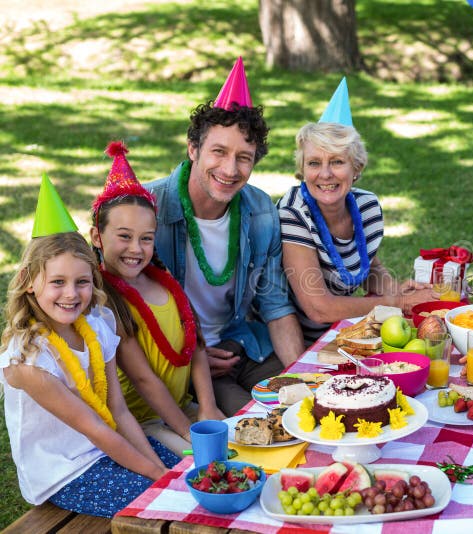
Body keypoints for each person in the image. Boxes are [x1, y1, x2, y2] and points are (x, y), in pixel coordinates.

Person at [0, 178, 178, 518]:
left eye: (81, 282)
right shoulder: (29, 360)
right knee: (160, 505)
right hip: (65, 472)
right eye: (57, 282)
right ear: (29, 282)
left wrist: (161, 471)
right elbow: (93, 428)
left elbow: (117, 410)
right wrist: (158, 479)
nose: (71, 295)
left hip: (108, 445)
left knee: (185, 475)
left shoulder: (97, 323)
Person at [145, 58, 304, 416]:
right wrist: (188, 360)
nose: (231, 170)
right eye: (219, 152)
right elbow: (123, 314)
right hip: (173, 359)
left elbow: (275, 305)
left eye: (244, 158)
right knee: (259, 421)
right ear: (193, 148)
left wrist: (304, 377)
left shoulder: (261, 210)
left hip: (241, 345)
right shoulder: (146, 210)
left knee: (307, 405)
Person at [90, 141, 225, 455]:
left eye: (146, 239)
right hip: (141, 422)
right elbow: (143, 379)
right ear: (97, 236)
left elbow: (197, 346)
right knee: (196, 465)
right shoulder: (104, 301)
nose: (136, 249)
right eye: (124, 236)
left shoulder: (166, 286)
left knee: (236, 447)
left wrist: (207, 408)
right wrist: (190, 433)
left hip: (185, 408)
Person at [277, 80, 435, 344]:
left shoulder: (367, 207)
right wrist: (397, 302)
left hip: (346, 331)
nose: (325, 174)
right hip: (296, 341)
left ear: (356, 167)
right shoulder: (293, 213)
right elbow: (319, 308)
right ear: (302, 169)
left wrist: (398, 290)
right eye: (314, 163)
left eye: (337, 161)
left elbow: (369, 268)